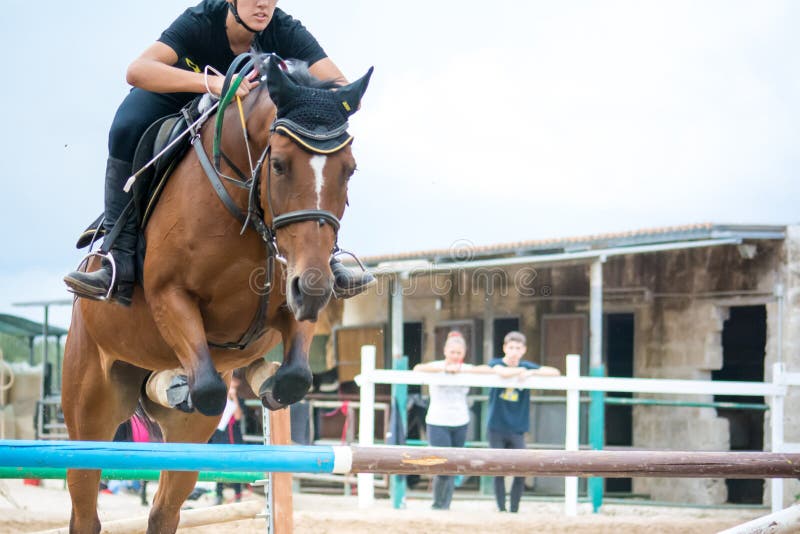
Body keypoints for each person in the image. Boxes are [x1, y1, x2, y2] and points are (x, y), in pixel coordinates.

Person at [64, 0, 374, 306]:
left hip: (237, 110)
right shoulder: (201, 20)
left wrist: (308, 98)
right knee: (126, 126)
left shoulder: (284, 28)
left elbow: (346, 93)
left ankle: (326, 254)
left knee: (301, 147)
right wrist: (212, 83)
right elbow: (137, 70)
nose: (263, 5)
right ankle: (115, 257)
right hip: (176, 93)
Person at [413, 331, 495, 510]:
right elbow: (418, 368)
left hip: (460, 420)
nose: (455, 356)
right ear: (445, 351)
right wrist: (445, 369)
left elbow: (488, 370)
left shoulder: (466, 368)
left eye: (459, 353)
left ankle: (446, 503)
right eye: (452, 352)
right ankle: (437, 502)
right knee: (441, 462)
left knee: (453, 464)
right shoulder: (437, 366)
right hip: (438, 420)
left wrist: (464, 369)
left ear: (464, 353)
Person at [487, 331, 560, 513]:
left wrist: (530, 372)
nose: (514, 351)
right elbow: (502, 373)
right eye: (511, 347)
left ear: (524, 350)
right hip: (496, 426)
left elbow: (554, 372)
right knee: (498, 469)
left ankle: (514, 509)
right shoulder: (496, 363)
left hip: (517, 428)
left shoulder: (527, 366)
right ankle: (501, 508)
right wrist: (521, 372)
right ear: (505, 348)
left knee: (521, 468)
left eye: (518, 348)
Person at [209, 375, 246, 504]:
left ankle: (238, 494)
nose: (233, 383)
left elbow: (238, 416)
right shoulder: (219, 398)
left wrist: (234, 397)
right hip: (220, 436)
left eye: (235, 381)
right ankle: (219, 494)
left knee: (236, 466)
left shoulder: (239, 399)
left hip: (234, 437)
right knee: (218, 465)